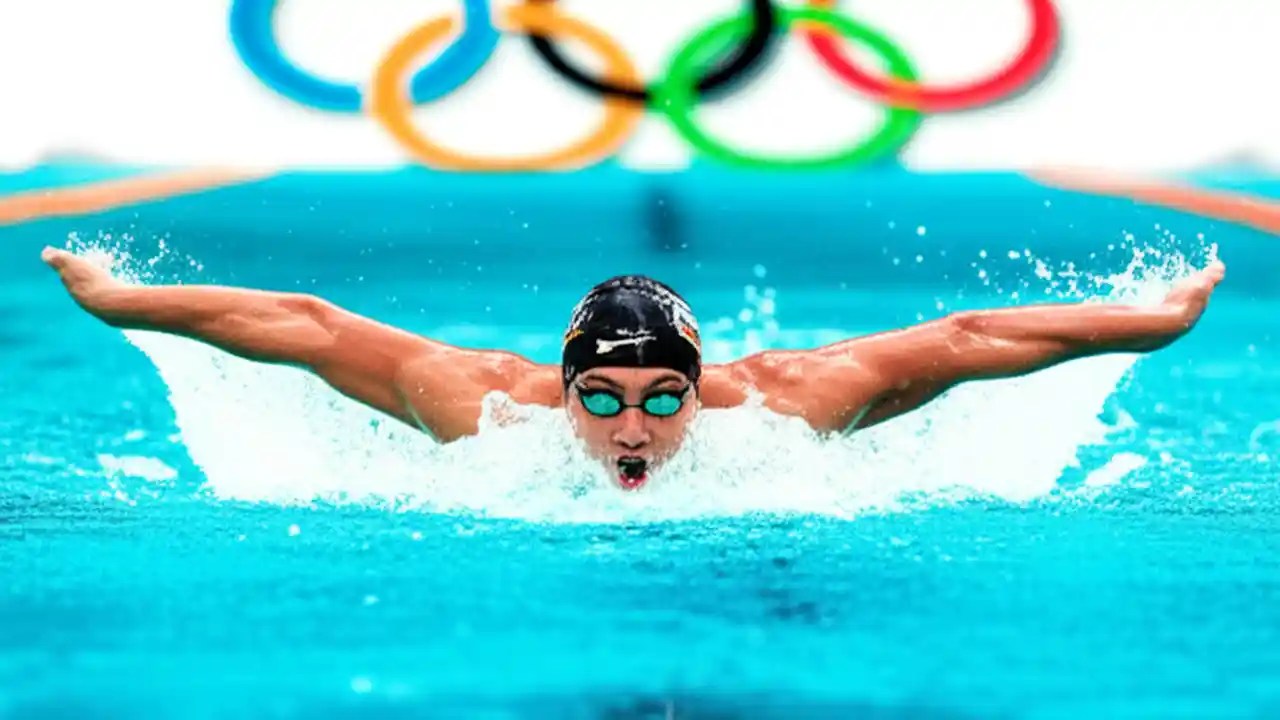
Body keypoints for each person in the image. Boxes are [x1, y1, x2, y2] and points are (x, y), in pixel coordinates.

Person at [41, 246, 1226, 490]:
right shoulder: (485, 411)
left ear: (699, 387)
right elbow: (300, 321)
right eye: (599, 399)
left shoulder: (783, 408)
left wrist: (1149, 320)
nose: (632, 430)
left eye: (664, 399)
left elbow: (966, 344)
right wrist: (120, 298)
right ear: (558, 390)